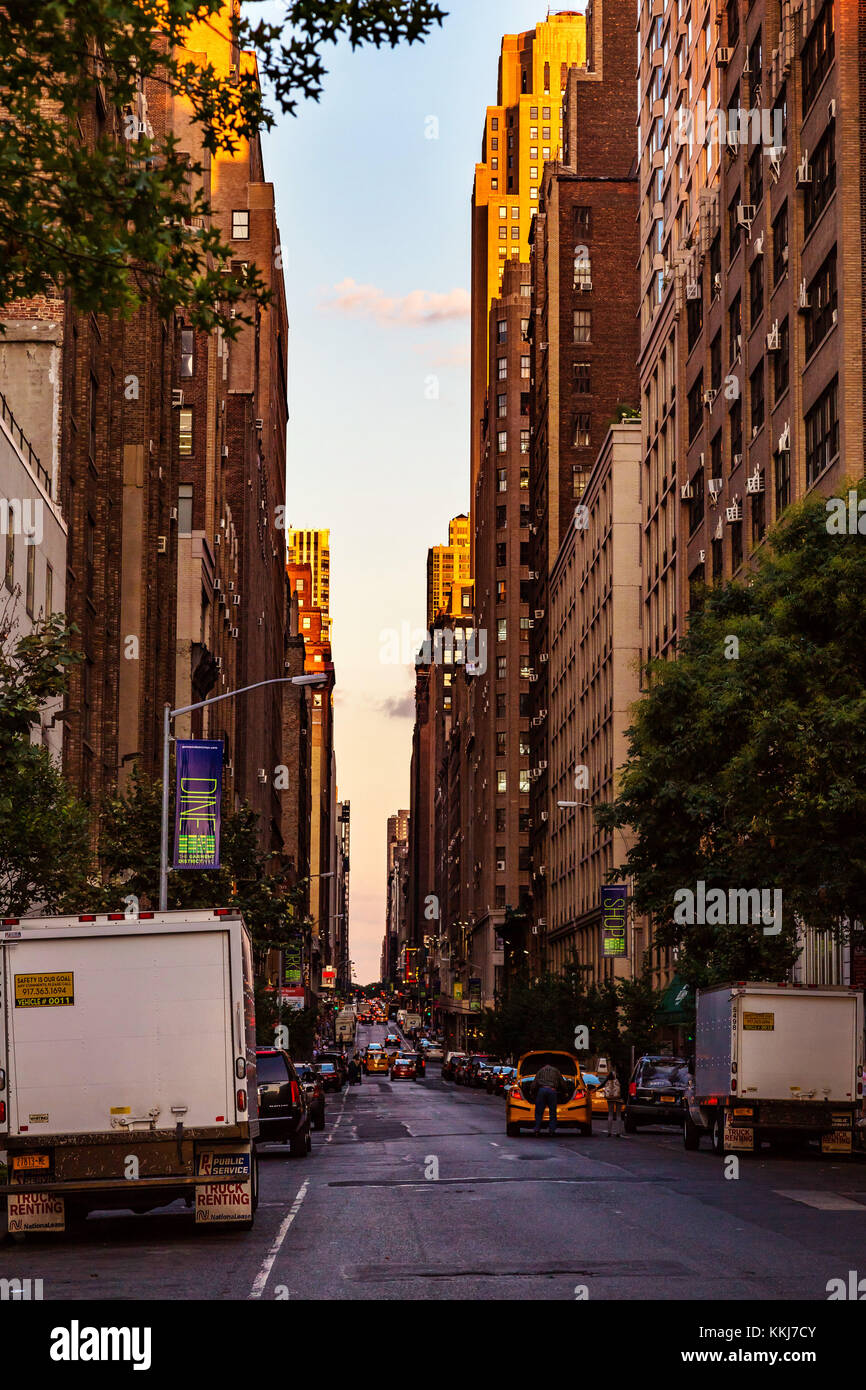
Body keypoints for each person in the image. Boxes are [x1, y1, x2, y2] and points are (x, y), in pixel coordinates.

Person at [531, 1061, 567, 1136]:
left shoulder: (540, 1071)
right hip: (552, 1091)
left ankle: (537, 1129)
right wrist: (565, 1091)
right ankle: (552, 1130)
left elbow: (534, 1083)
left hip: (542, 1090)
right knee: (552, 1111)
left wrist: (532, 1091)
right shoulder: (556, 1071)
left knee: (539, 1111)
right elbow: (562, 1083)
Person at [601, 1069, 622, 1137]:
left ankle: (609, 1132)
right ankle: (618, 1132)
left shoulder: (609, 1076)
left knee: (610, 1114)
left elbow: (603, 1084)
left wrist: (595, 1089)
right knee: (618, 1115)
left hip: (610, 1097)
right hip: (619, 1097)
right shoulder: (620, 1076)